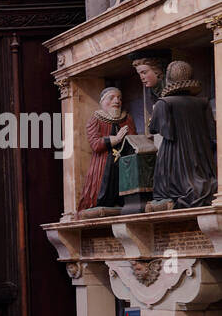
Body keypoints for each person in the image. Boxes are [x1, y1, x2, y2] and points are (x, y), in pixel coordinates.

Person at [145, 60, 218, 212]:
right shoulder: (203, 103)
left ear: (169, 79)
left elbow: (155, 129)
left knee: (167, 191)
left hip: (174, 154)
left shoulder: (164, 103)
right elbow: (212, 132)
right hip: (201, 154)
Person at [78, 87, 133, 215]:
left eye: (119, 98)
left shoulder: (127, 119)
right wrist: (116, 139)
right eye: (112, 97)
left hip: (124, 162)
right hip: (103, 165)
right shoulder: (96, 119)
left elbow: (133, 139)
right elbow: (95, 144)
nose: (117, 101)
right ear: (102, 101)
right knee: (102, 192)